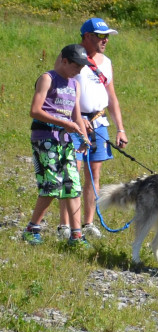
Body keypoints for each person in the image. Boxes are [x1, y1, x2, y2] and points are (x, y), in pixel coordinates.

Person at [25, 45, 91, 247]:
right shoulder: (48, 79)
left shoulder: (75, 85)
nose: (79, 71)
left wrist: (85, 138)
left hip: (66, 140)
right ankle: (32, 229)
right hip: (45, 137)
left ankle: (76, 235)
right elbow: (35, 110)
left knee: (72, 185)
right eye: (76, 66)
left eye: (82, 67)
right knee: (52, 185)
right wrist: (65, 124)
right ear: (64, 61)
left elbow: (76, 116)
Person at [74, 17, 128, 238]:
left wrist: (120, 128)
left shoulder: (106, 62)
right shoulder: (72, 57)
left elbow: (111, 95)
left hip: (98, 122)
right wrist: (77, 119)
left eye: (107, 36)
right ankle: (69, 225)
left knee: (94, 173)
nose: (105, 40)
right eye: (100, 36)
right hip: (75, 123)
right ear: (87, 37)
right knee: (73, 173)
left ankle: (88, 223)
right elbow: (66, 90)